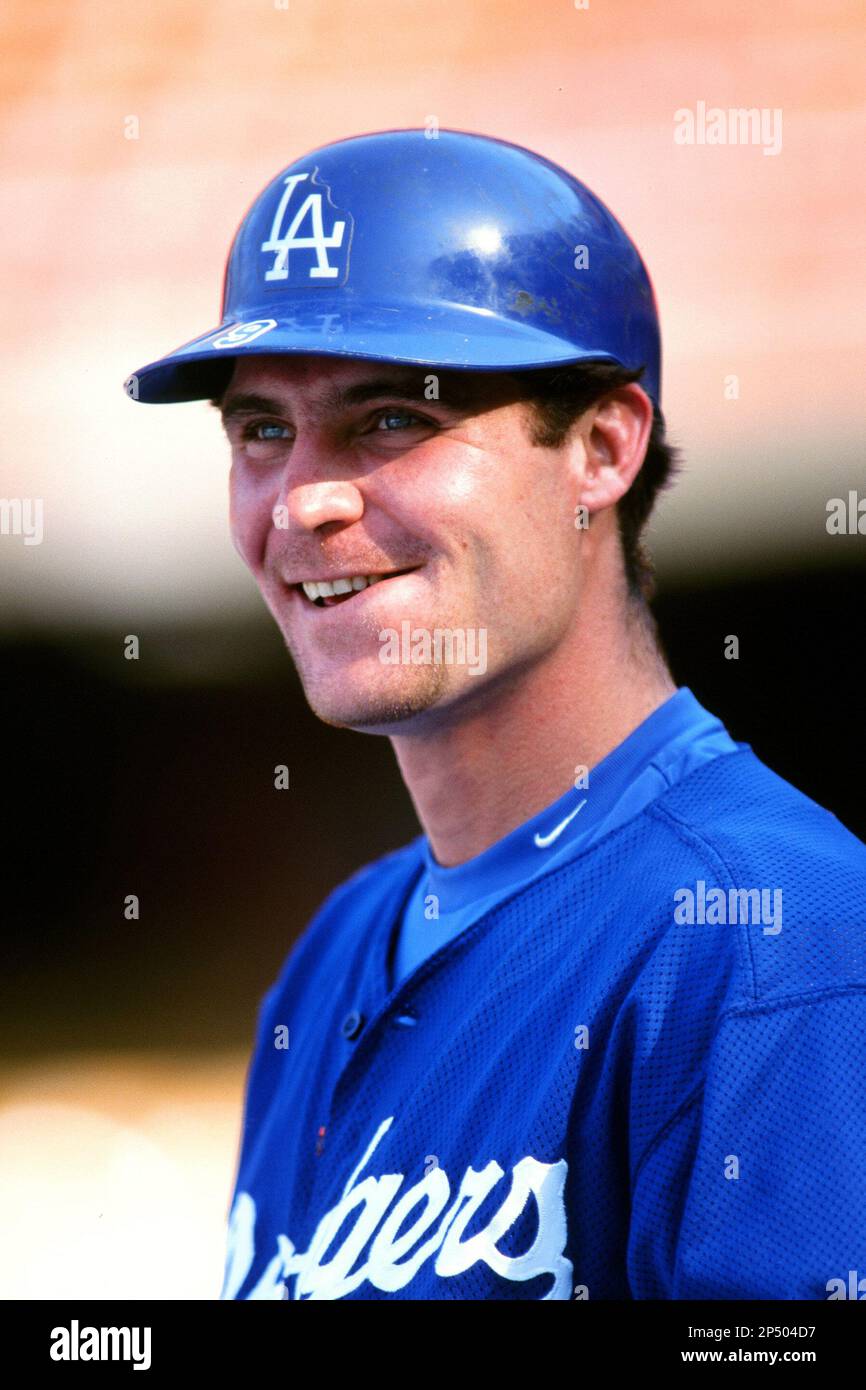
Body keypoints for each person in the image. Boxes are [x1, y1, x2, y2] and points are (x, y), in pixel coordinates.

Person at [126, 129, 866, 1301]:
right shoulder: (334, 949)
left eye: (389, 421)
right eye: (262, 429)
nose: (304, 499)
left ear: (600, 448)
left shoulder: (775, 930)